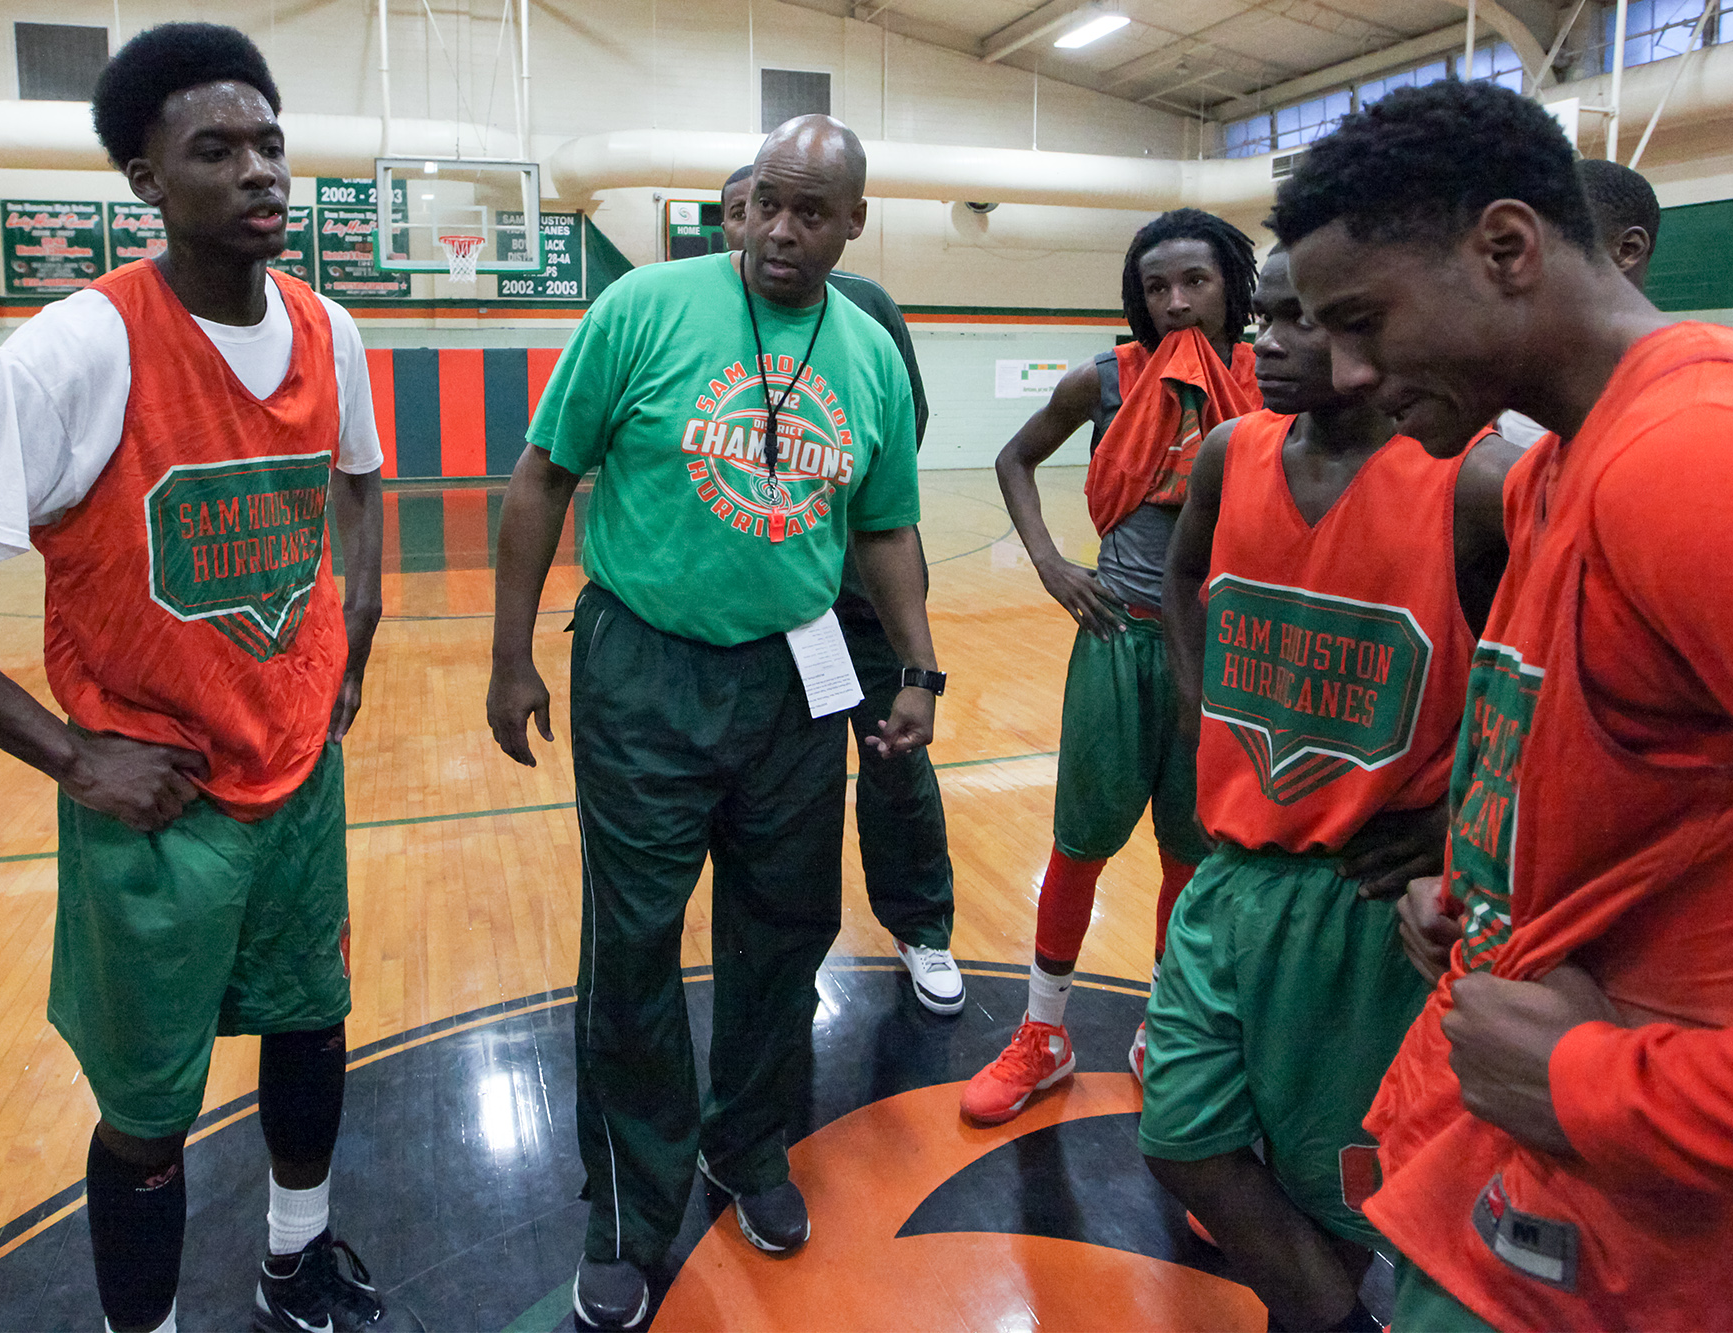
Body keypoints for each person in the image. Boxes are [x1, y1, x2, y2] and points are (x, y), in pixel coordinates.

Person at [0, 24, 398, 1333]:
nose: (261, 174)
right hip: (156, 801)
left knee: (314, 1023)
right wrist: (70, 754)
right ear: (145, 180)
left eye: (272, 145)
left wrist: (361, 613)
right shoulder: (83, 347)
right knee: (146, 1115)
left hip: (297, 774)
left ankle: (296, 1255)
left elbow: (360, 478)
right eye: (217, 151)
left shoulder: (329, 328)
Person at [1272, 79, 1733, 1332]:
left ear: (1506, 247)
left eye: (1361, 320)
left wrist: (1600, 1083)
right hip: (1528, 1201)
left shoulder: (1688, 464)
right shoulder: (1550, 473)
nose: (1348, 371)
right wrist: (1486, 899)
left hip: (1634, 1241)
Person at [488, 115, 936, 1329]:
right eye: (764, 205)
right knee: (631, 943)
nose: (780, 232)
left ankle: (749, 1147)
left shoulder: (869, 355)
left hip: (796, 679)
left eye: (810, 212)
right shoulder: (640, 309)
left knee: (783, 929)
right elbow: (540, 475)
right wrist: (510, 653)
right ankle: (628, 1208)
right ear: (735, 210)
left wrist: (918, 669)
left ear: (852, 223)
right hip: (642, 668)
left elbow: (885, 528)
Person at [1144, 248, 1516, 1330]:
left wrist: (1463, 815)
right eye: (1265, 316)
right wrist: (1192, 695)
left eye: (1304, 320)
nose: (1266, 340)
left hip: (1364, 901)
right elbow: (1178, 571)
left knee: (1348, 1189)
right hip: (1232, 873)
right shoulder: (1227, 452)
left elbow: (1559, 677)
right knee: (1178, 1137)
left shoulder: (1473, 482)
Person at [963, 209, 1260, 1124]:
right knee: (1079, 845)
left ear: (1231, 288)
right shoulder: (1103, 380)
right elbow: (1015, 457)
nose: (1174, 302)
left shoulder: (1271, 379)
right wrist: (1052, 565)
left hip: (1223, 651)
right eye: (1157, 286)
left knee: (1190, 851)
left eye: (1195, 283)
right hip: (1118, 638)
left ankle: (1164, 1025)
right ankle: (1044, 1034)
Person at [724, 164, 962, 1016]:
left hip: (859, 601)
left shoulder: (864, 308)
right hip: (765, 613)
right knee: (782, 788)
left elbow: (899, 430)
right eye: (747, 215)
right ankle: (781, 943)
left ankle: (922, 925)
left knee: (894, 765)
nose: (766, 234)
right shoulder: (704, 310)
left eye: (801, 212)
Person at [1497, 157, 1662, 447]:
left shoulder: (1699, 392)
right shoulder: (1549, 426)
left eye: (1550, 242)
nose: (1520, 265)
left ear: (1627, 249)